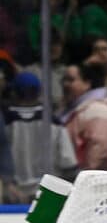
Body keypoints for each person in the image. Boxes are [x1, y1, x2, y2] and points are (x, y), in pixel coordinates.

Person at [2, 70, 75, 203]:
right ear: (39, 92)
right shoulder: (54, 122)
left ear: (14, 92)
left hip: (13, 193)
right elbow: (68, 162)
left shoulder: (6, 122)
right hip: (48, 192)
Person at [58, 61, 107, 172]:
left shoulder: (98, 110)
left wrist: (84, 179)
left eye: (71, 80)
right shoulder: (73, 109)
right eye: (64, 80)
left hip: (90, 182)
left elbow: (99, 151)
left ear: (87, 83)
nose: (65, 84)